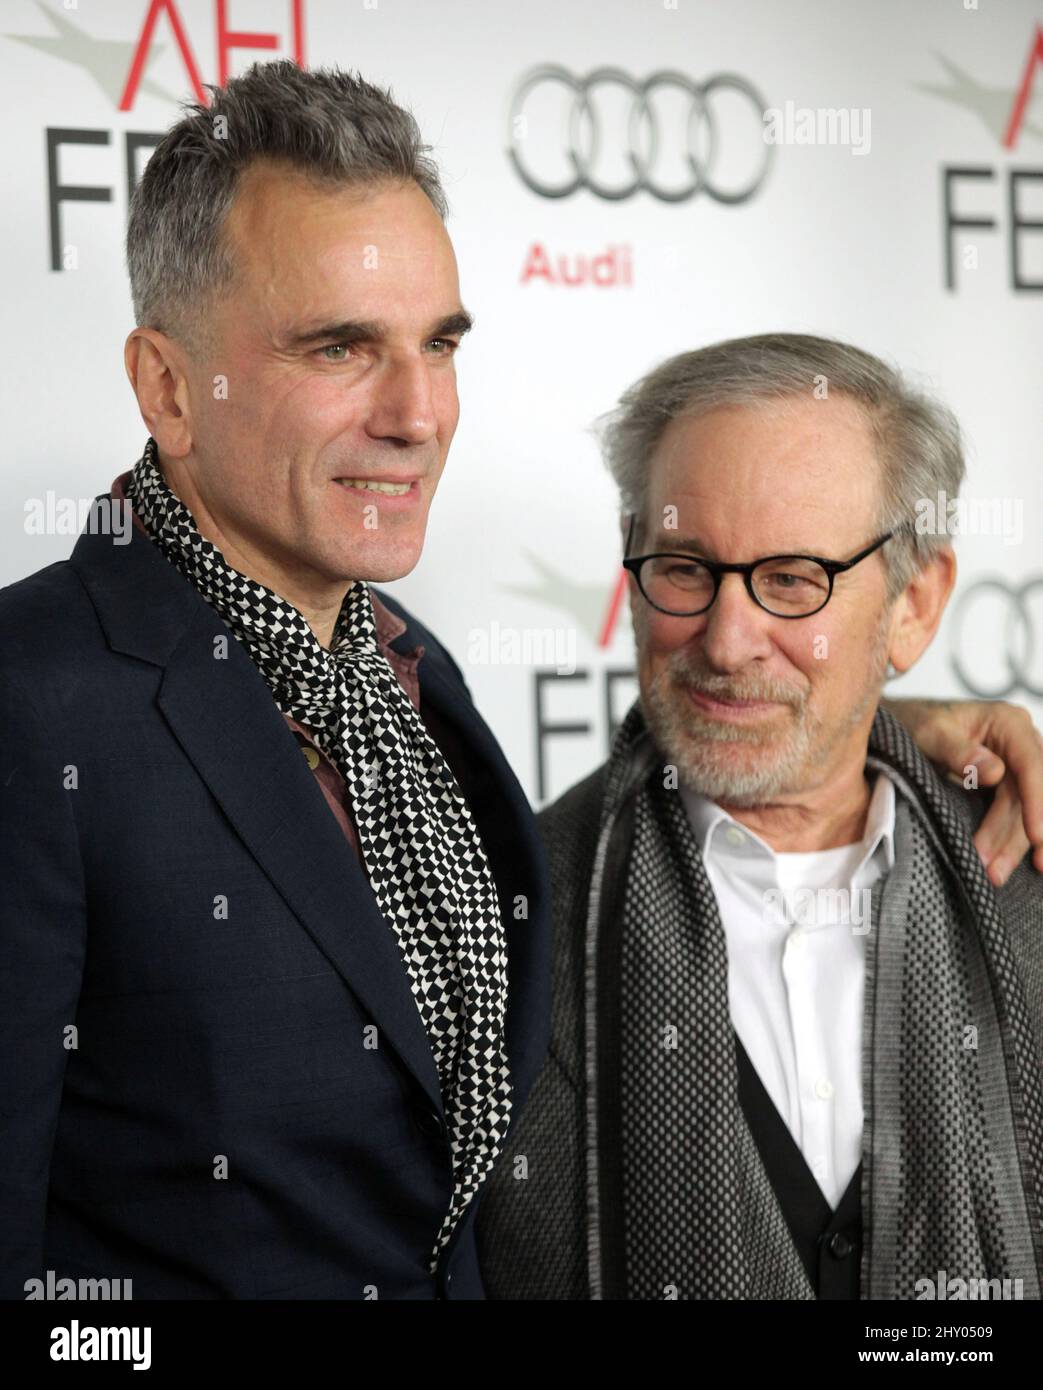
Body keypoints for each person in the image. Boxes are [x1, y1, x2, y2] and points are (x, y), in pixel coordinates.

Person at [0, 65, 1038, 1302]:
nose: (416, 412)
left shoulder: (413, 684)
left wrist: (869, 725)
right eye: (340, 346)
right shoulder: (34, 704)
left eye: (436, 344)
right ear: (170, 388)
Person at [476, 333, 1043, 1301]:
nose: (728, 640)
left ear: (911, 605)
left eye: (790, 579)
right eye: (686, 569)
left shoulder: (1022, 888)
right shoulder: (501, 916)